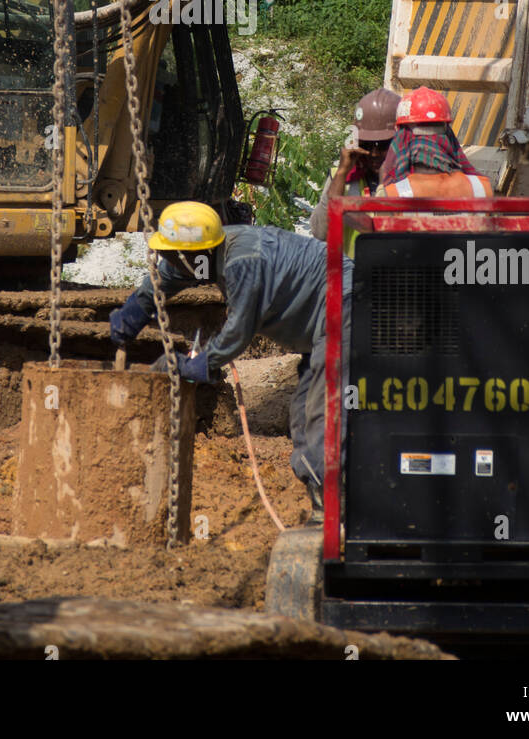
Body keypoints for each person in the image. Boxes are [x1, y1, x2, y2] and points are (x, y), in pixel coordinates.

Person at [109, 201, 352, 523]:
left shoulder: (243, 261)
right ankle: (328, 507)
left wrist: (197, 364)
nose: (165, 261)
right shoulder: (202, 255)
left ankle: (336, 512)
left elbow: (238, 331)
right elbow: (164, 279)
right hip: (325, 324)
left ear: (194, 254)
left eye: (170, 255)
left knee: (323, 412)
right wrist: (135, 311)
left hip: (348, 308)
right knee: (303, 415)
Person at [309, 87, 400, 253]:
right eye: (366, 145)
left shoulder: (408, 178)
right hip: (350, 274)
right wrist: (342, 174)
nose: (373, 153)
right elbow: (320, 232)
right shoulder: (341, 176)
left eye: (382, 146)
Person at [373, 85, 493, 201]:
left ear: (401, 138)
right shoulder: (482, 188)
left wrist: (381, 187)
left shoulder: (393, 193)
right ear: (449, 137)